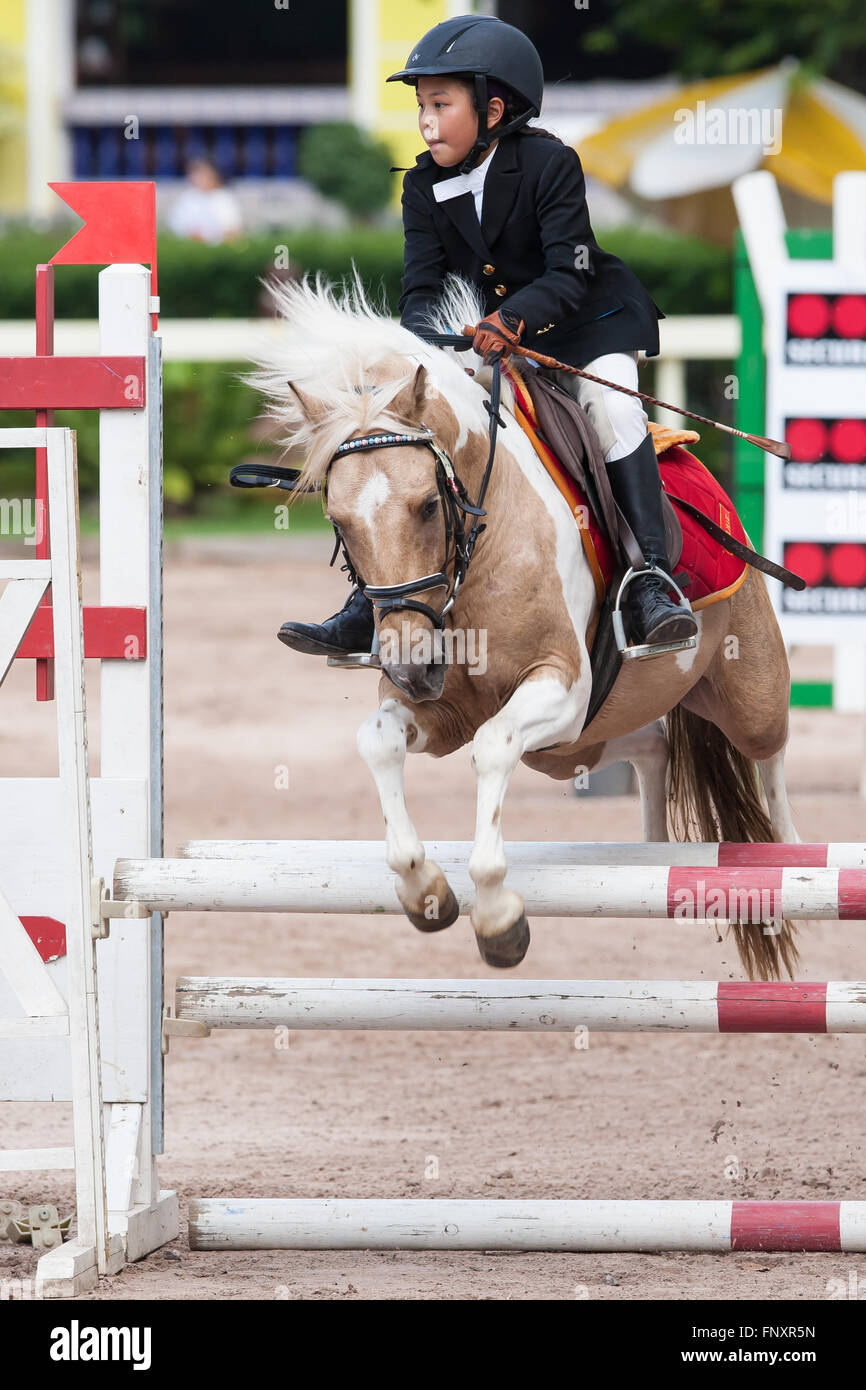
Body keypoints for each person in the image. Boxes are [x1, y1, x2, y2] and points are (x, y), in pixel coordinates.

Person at [278, 14, 697, 660]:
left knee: (612, 410)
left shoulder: (550, 162)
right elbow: (420, 290)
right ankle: (372, 598)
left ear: (493, 107)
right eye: (421, 106)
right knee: (406, 431)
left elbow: (570, 270)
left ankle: (652, 582)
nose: (425, 121)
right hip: (489, 338)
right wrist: (422, 354)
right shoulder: (420, 184)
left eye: (441, 105)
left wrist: (511, 320)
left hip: (587, 324)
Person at [167, 157, 243, 245]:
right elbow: (176, 227)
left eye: (204, 174)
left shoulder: (224, 197)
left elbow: (233, 229)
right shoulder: (187, 198)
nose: (200, 178)